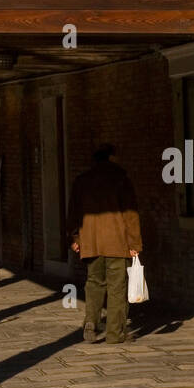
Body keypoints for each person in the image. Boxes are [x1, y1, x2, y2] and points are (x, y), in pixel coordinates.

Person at [67, 144, 143, 345]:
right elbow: (131, 215)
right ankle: (115, 333)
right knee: (117, 288)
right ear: (111, 158)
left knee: (94, 284)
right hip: (117, 243)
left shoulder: (81, 181)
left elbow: (74, 213)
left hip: (91, 242)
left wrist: (76, 239)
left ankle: (91, 324)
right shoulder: (121, 180)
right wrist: (134, 243)